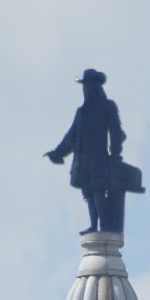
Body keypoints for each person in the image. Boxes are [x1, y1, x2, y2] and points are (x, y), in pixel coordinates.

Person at [47, 69, 129, 234]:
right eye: (84, 86)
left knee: (98, 191)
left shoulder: (108, 106)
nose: (85, 89)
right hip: (83, 161)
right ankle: (94, 226)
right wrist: (58, 152)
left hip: (99, 160)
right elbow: (71, 136)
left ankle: (105, 227)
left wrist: (115, 154)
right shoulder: (81, 112)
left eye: (88, 86)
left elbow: (116, 132)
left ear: (95, 87)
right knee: (89, 194)